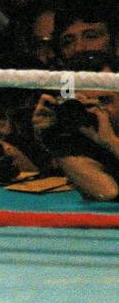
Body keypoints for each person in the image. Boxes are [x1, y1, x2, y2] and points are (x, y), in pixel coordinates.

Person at [31, 51, 119, 201]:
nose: (96, 111)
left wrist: (111, 142)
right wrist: (56, 142)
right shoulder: (75, 133)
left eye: (104, 101)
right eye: (86, 103)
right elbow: (107, 191)